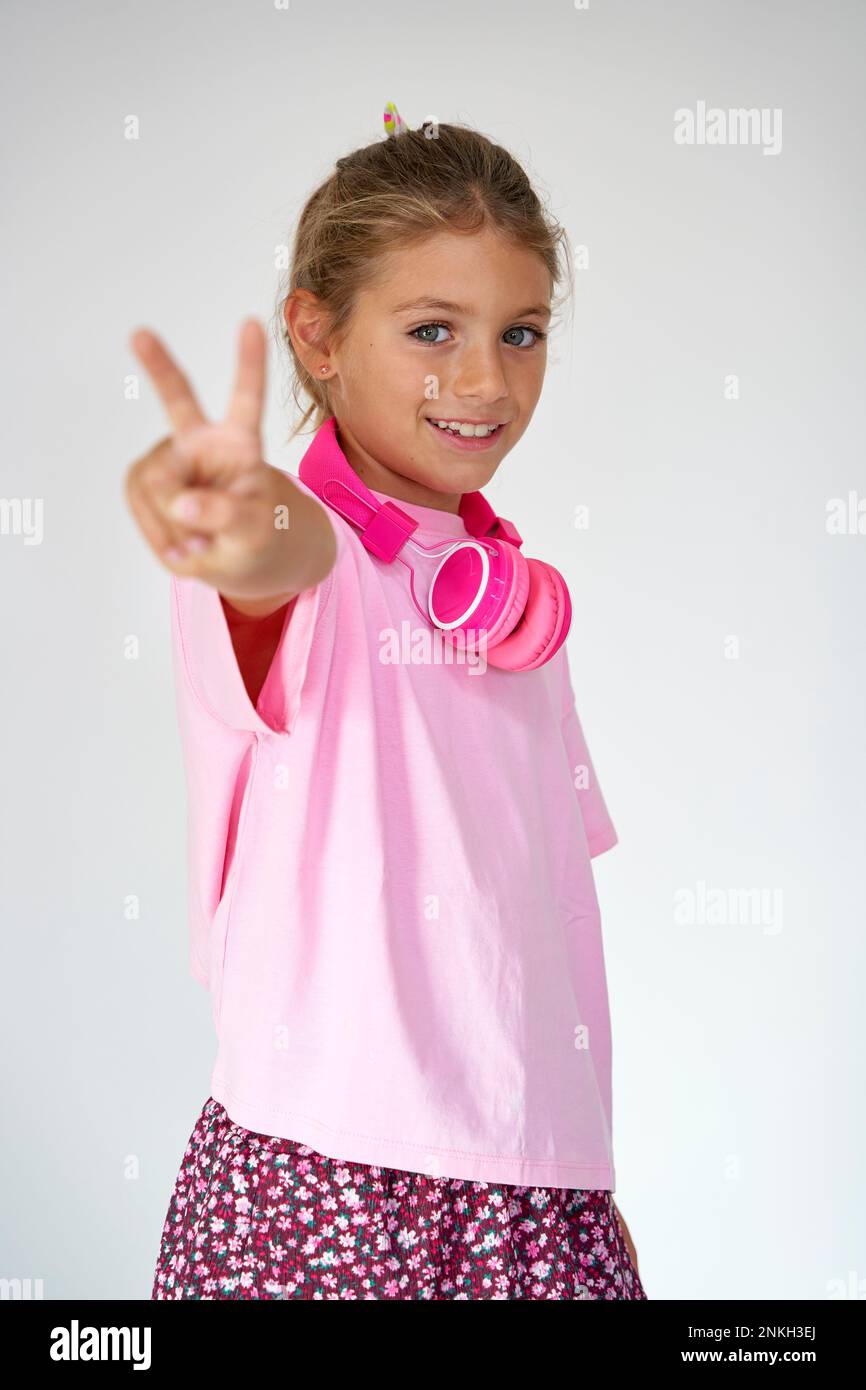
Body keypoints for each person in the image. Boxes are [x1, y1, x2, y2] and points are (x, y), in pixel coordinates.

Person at [126, 105, 646, 1301]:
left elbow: (528, 932)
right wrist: (230, 510)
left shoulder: (506, 598)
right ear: (315, 334)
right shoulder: (311, 564)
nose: (484, 380)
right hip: (324, 1177)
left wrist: (583, 1187)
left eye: (520, 332)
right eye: (429, 330)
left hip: (535, 1195)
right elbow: (274, 549)